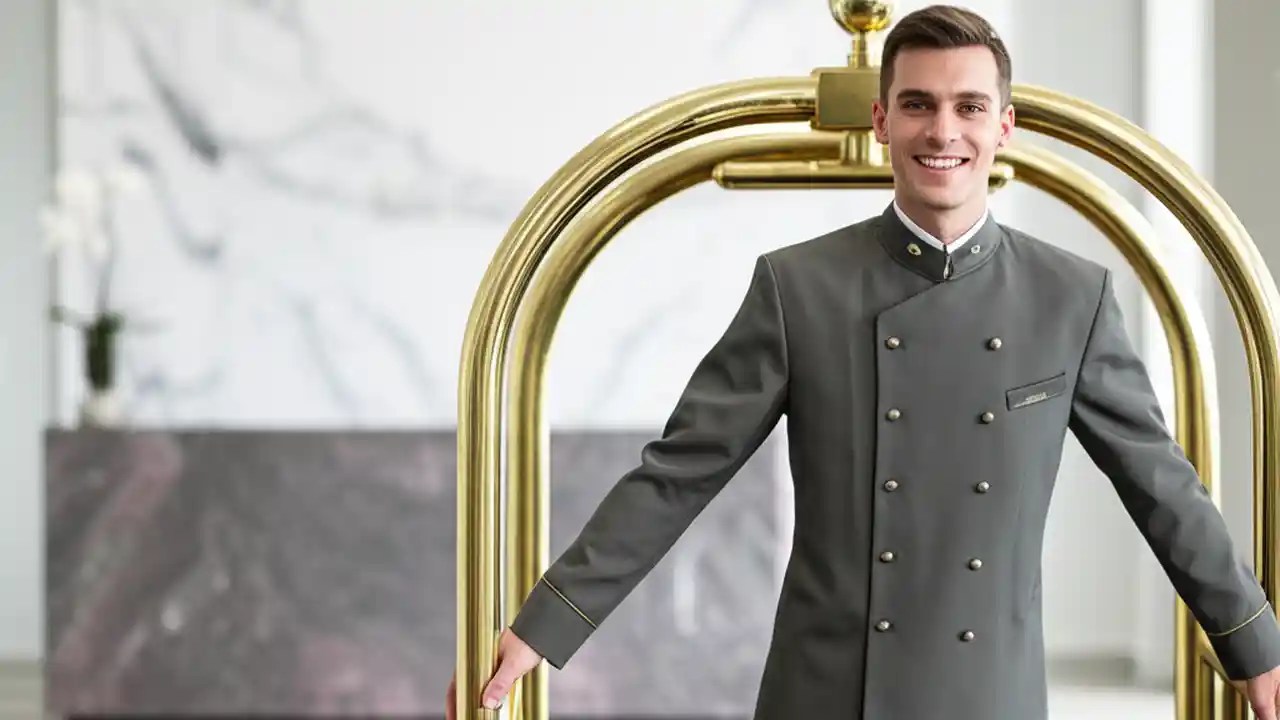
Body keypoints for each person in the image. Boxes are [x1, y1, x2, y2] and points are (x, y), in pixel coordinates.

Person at [447, 5, 1280, 719]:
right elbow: (679, 474)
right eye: (917, 105)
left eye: (968, 106)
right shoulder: (797, 288)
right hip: (825, 691)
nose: (942, 131)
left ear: (1003, 126)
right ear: (881, 120)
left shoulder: (1072, 298)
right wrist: (545, 624)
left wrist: (1256, 644)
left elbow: (1161, 486)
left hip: (987, 693)